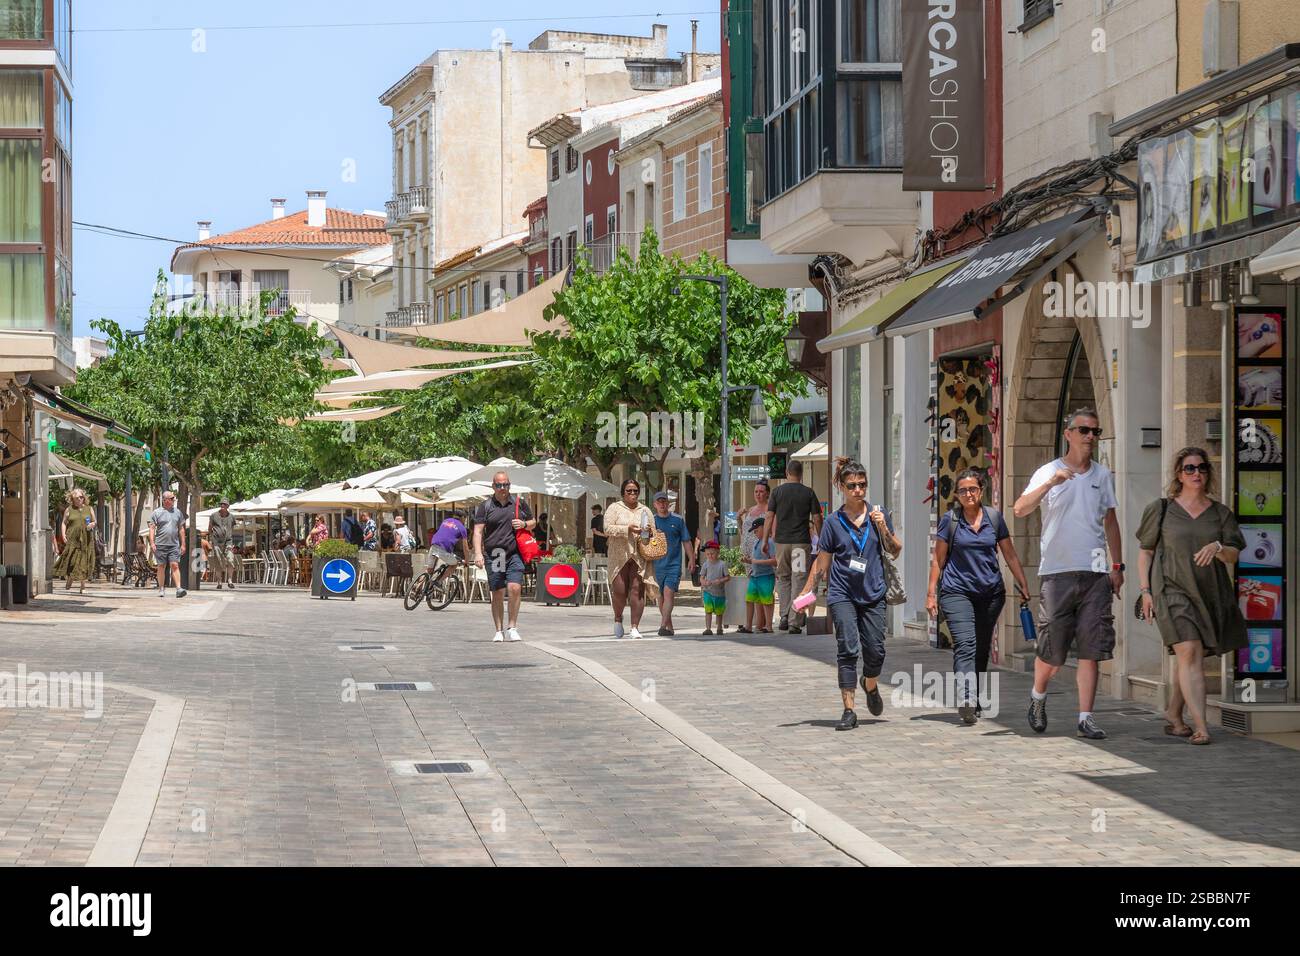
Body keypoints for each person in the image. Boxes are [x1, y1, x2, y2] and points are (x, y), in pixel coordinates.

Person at [1013, 407, 1123, 740]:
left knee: (1092, 648)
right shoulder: (1048, 471)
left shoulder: (1102, 476)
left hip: (1095, 573)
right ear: (1069, 434)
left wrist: (1117, 566)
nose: (1090, 437)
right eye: (1084, 430)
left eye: (1095, 431)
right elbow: (1019, 509)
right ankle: (1038, 695)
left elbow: (1111, 522)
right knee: (1053, 652)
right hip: (1057, 573)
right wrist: (1051, 483)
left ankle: (1085, 717)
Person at [1137, 448, 1247, 746]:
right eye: (1189, 468)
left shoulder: (1220, 513)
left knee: (1190, 657)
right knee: (1190, 652)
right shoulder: (1161, 509)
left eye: (1201, 468)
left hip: (1210, 593)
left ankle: (1174, 714)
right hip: (1171, 590)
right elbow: (1146, 552)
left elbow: (1234, 554)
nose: (1196, 473)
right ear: (1178, 474)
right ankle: (1202, 727)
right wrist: (1146, 592)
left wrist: (1218, 548)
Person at [796, 457, 901, 732]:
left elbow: (895, 549)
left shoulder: (879, 514)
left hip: (873, 592)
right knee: (848, 649)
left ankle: (870, 683)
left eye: (862, 485)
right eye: (852, 485)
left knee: (876, 651)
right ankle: (849, 710)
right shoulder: (833, 522)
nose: (858, 490)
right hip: (842, 593)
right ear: (842, 487)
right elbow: (822, 562)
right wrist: (805, 593)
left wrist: (884, 528)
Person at [926, 469, 1030, 724]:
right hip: (956, 591)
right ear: (957, 495)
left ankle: (976, 696)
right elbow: (938, 561)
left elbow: (1010, 554)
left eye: (972, 489)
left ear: (981, 491)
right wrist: (931, 594)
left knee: (981, 648)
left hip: (990, 593)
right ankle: (966, 698)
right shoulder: (950, 521)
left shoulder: (994, 518)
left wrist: (1023, 583)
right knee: (965, 644)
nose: (968, 494)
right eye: (963, 490)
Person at [472, 473, 535, 642]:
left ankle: (512, 627)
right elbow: (478, 531)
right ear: (493, 486)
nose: (502, 489)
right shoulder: (485, 506)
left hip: (514, 553)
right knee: (498, 592)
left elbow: (533, 522)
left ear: (509, 485)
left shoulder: (518, 503)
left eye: (505, 485)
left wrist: (524, 524)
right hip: (495, 554)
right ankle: (498, 630)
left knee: (515, 588)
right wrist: (478, 553)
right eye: (499, 485)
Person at [763, 459, 824, 634]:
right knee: (800, 580)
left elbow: (769, 517)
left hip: (781, 543)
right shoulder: (808, 493)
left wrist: (766, 539)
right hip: (800, 542)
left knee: (783, 579)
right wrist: (821, 538)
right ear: (801, 474)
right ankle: (795, 620)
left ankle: (783, 615)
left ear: (787, 473)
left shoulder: (777, 492)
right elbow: (818, 518)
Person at [601, 478, 658, 640]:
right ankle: (618, 619)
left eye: (635, 491)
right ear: (623, 493)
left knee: (637, 590)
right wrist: (627, 529)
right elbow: (607, 528)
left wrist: (648, 531)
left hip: (639, 555)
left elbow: (652, 532)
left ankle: (635, 627)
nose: (632, 494)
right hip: (618, 555)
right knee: (619, 591)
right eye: (629, 491)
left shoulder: (645, 510)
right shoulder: (614, 508)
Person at [651, 491, 695, 636]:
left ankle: (663, 626)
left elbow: (686, 541)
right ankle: (669, 626)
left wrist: (692, 559)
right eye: (659, 502)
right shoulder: (651, 521)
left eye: (664, 501)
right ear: (655, 504)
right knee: (661, 598)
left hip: (673, 565)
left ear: (668, 504)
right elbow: (643, 541)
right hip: (656, 565)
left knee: (668, 593)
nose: (662, 504)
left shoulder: (678, 520)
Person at [737, 482, 770, 633]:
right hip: (748, 552)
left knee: (762, 589)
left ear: (767, 493)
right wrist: (738, 519)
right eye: (756, 491)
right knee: (754, 588)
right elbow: (744, 532)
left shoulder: (770, 510)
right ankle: (757, 623)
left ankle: (762, 623)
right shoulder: (750, 510)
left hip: (762, 553)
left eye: (761, 491)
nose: (758, 494)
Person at [54, 487, 96, 594]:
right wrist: (63, 535)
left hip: (86, 538)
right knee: (71, 560)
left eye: (81, 497)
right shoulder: (69, 509)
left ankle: (83, 585)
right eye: (77, 497)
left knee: (83, 561)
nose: (80, 499)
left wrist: (92, 524)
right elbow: (64, 523)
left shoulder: (89, 508)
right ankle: (70, 578)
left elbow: (94, 521)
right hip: (72, 538)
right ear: (72, 499)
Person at [149, 491, 188, 598]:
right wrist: (152, 543)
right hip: (160, 544)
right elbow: (152, 529)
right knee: (161, 566)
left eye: (173, 498)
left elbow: (181, 529)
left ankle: (179, 589)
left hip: (174, 545)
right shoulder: (156, 513)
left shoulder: (178, 512)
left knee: (175, 565)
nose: (173, 500)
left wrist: (183, 544)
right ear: (165, 500)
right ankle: (161, 588)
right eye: (171, 498)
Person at [747, 517, 777, 633]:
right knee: (750, 600)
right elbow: (755, 559)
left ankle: (768, 626)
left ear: (764, 528)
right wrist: (749, 562)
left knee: (767, 601)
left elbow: (775, 561)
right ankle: (749, 625)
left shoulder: (769, 542)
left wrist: (757, 562)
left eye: (756, 530)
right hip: (755, 575)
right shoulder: (756, 542)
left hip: (766, 575)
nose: (755, 533)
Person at [699, 541, 730, 635]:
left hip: (720, 593)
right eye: (707, 554)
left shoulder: (722, 564)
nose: (710, 556)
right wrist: (704, 582)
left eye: (712, 553)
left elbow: (728, 577)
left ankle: (719, 627)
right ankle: (708, 628)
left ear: (717, 552)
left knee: (719, 612)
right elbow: (701, 577)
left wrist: (720, 580)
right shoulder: (705, 564)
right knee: (708, 610)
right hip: (708, 591)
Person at [208, 497, 237, 590]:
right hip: (217, 542)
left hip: (228, 541)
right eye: (221, 504)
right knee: (218, 562)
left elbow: (232, 528)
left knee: (230, 559)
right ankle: (219, 582)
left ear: (228, 506)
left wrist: (229, 536)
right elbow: (210, 528)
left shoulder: (231, 517)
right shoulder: (214, 516)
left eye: (224, 504)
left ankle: (230, 580)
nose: (222, 506)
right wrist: (212, 539)